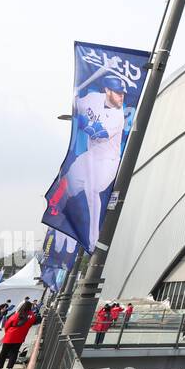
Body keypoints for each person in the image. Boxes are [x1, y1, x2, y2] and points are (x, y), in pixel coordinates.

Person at [66, 74, 132, 250]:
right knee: (68, 179)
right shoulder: (94, 98)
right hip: (91, 156)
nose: (121, 96)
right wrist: (74, 100)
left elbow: (98, 134)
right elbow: (77, 104)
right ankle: (69, 227)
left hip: (109, 161)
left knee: (92, 188)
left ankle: (93, 240)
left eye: (122, 93)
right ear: (107, 90)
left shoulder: (118, 116)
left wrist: (83, 122)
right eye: (118, 93)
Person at [0, 302, 40, 369]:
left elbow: (7, 325)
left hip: (10, 336)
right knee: (14, 352)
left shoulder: (17, 314)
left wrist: (7, 333)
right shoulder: (32, 316)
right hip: (21, 336)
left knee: (3, 353)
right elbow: (30, 325)